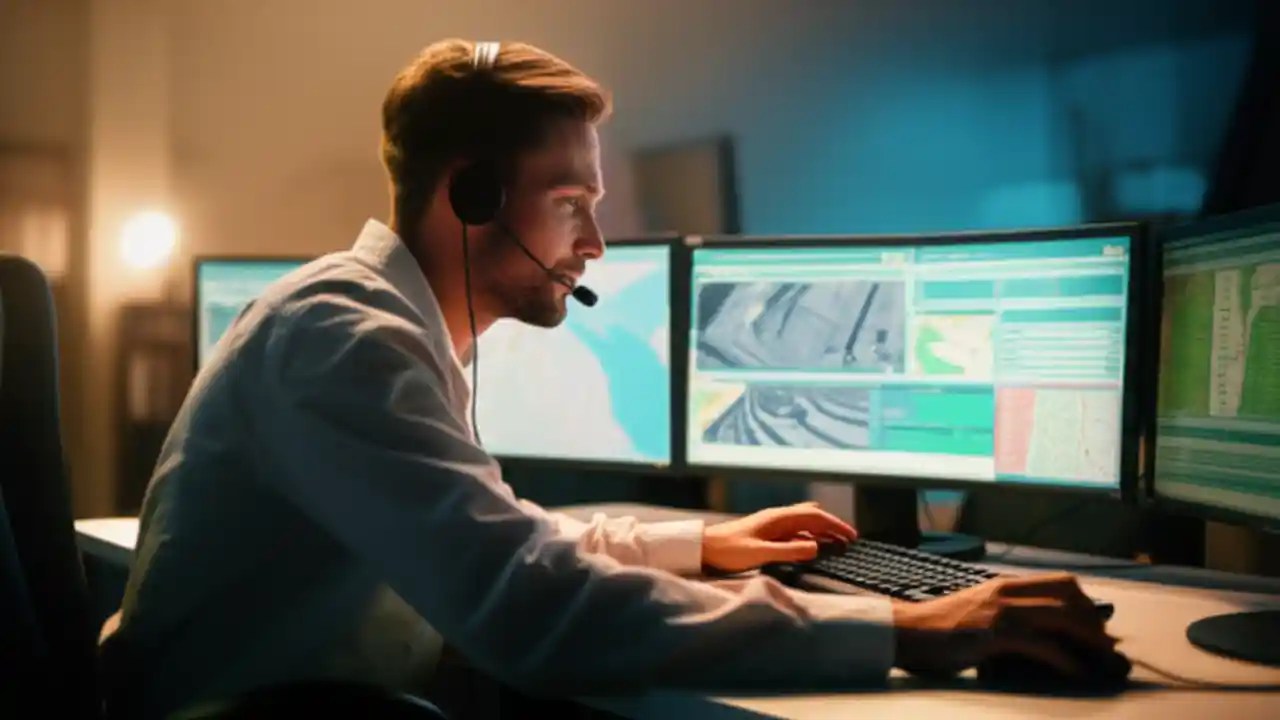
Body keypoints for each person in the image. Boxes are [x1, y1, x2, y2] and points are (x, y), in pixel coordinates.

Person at [99, 38, 1124, 718]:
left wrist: (698, 542)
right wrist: (907, 626)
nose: (595, 239)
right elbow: (527, 609)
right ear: (472, 195)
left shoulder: (385, 325)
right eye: (568, 201)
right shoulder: (344, 340)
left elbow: (492, 535)